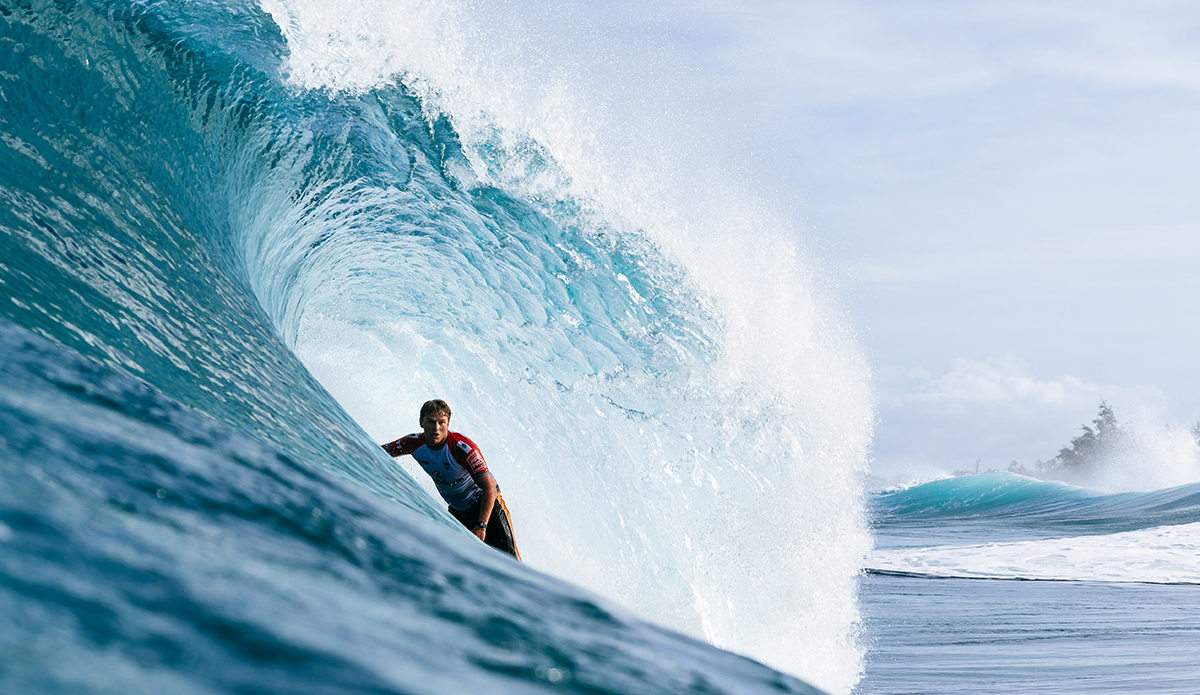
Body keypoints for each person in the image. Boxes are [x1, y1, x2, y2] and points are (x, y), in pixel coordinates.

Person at [381, 399, 520, 561]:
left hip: (486, 504)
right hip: (457, 510)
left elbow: (489, 487)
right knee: (459, 559)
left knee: (510, 559)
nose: (436, 428)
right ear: (421, 422)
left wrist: (482, 525)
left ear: (448, 423)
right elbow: (380, 451)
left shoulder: (463, 449)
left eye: (441, 422)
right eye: (431, 422)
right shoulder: (412, 443)